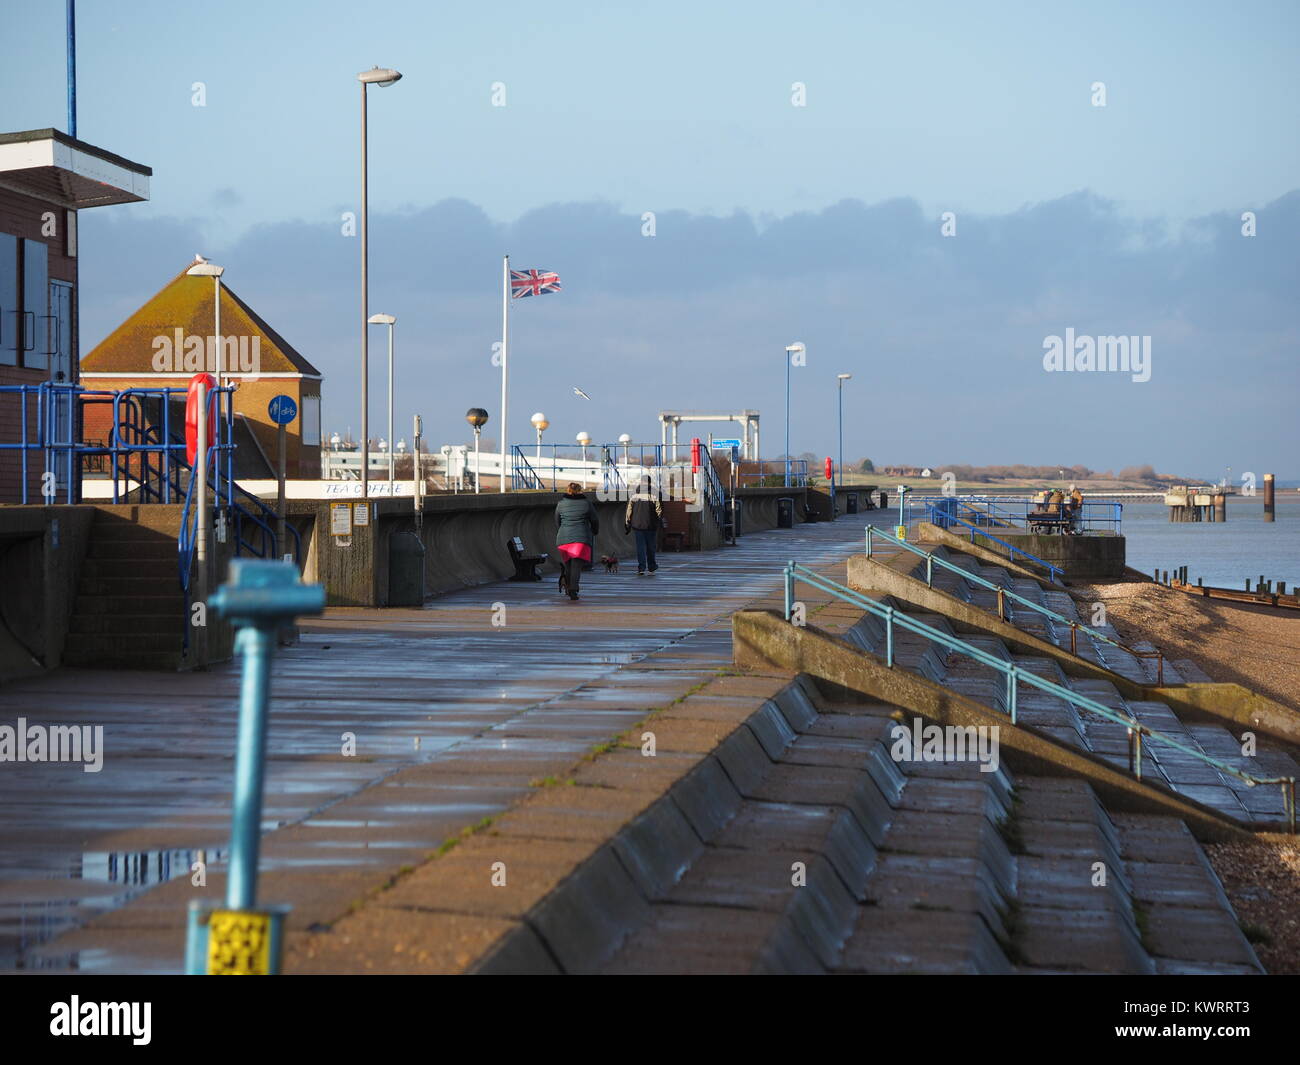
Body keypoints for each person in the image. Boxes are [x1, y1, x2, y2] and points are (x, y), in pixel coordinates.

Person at [554, 482, 599, 600]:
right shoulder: (586, 504)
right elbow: (594, 520)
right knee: (576, 566)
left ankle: (569, 586)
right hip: (580, 538)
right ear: (580, 490)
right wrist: (594, 531)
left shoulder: (560, 504)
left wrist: (563, 532)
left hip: (563, 538)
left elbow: (557, 521)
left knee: (568, 565)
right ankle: (573, 589)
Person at [624, 475, 663, 575]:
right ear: (650, 483)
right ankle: (651, 567)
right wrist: (658, 521)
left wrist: (628, 523)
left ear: (641, 482)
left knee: (640, 547)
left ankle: (641, 568)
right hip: (651, 525)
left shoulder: (634, 495)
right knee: (651, 547)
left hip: (637, 525)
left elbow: (629, 510)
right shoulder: (654, 495)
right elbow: (659, 510)